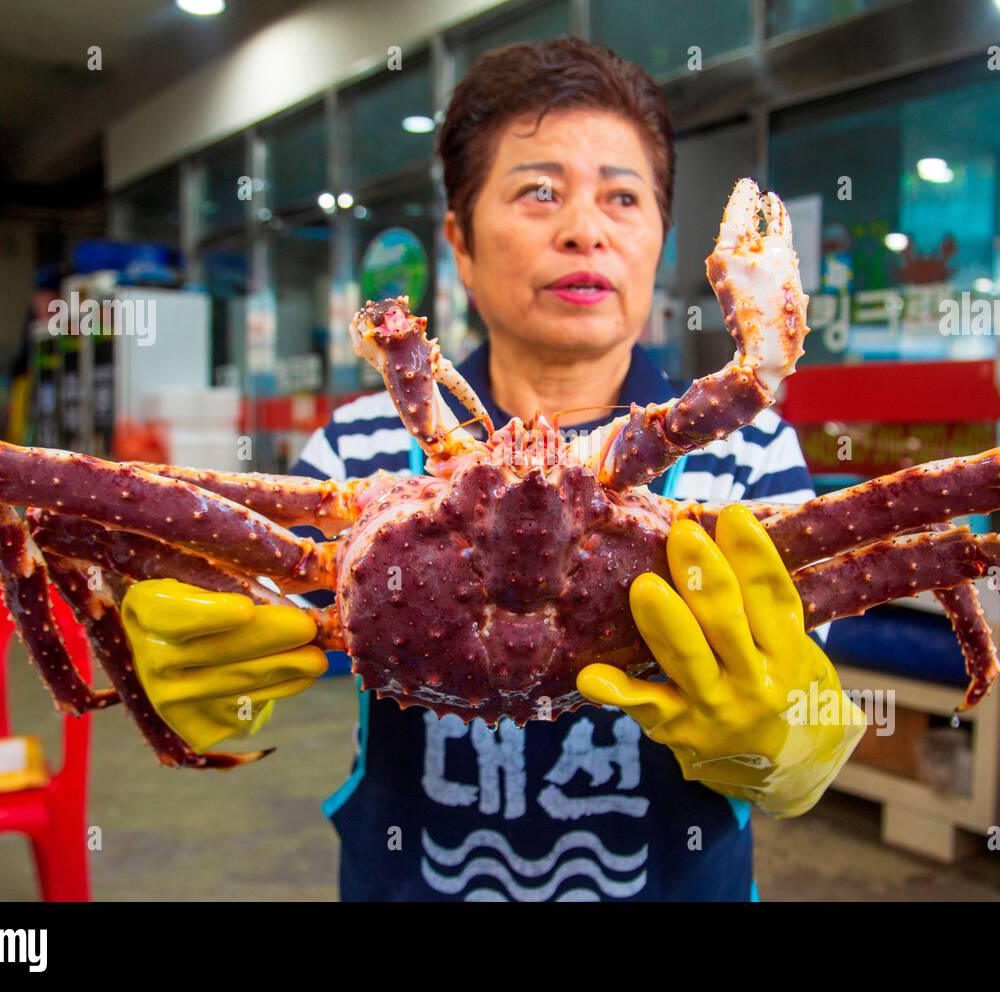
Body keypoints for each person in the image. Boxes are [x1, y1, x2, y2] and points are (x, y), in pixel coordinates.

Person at [122, 38, 865, 902]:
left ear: (661, 239)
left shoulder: (745, 455)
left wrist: (797, 740)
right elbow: (265, 630)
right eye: (538, 190)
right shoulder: (357, 456)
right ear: (461, 244)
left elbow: (799, 673)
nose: (584, 227)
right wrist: (202, 689)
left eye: (623, 196)